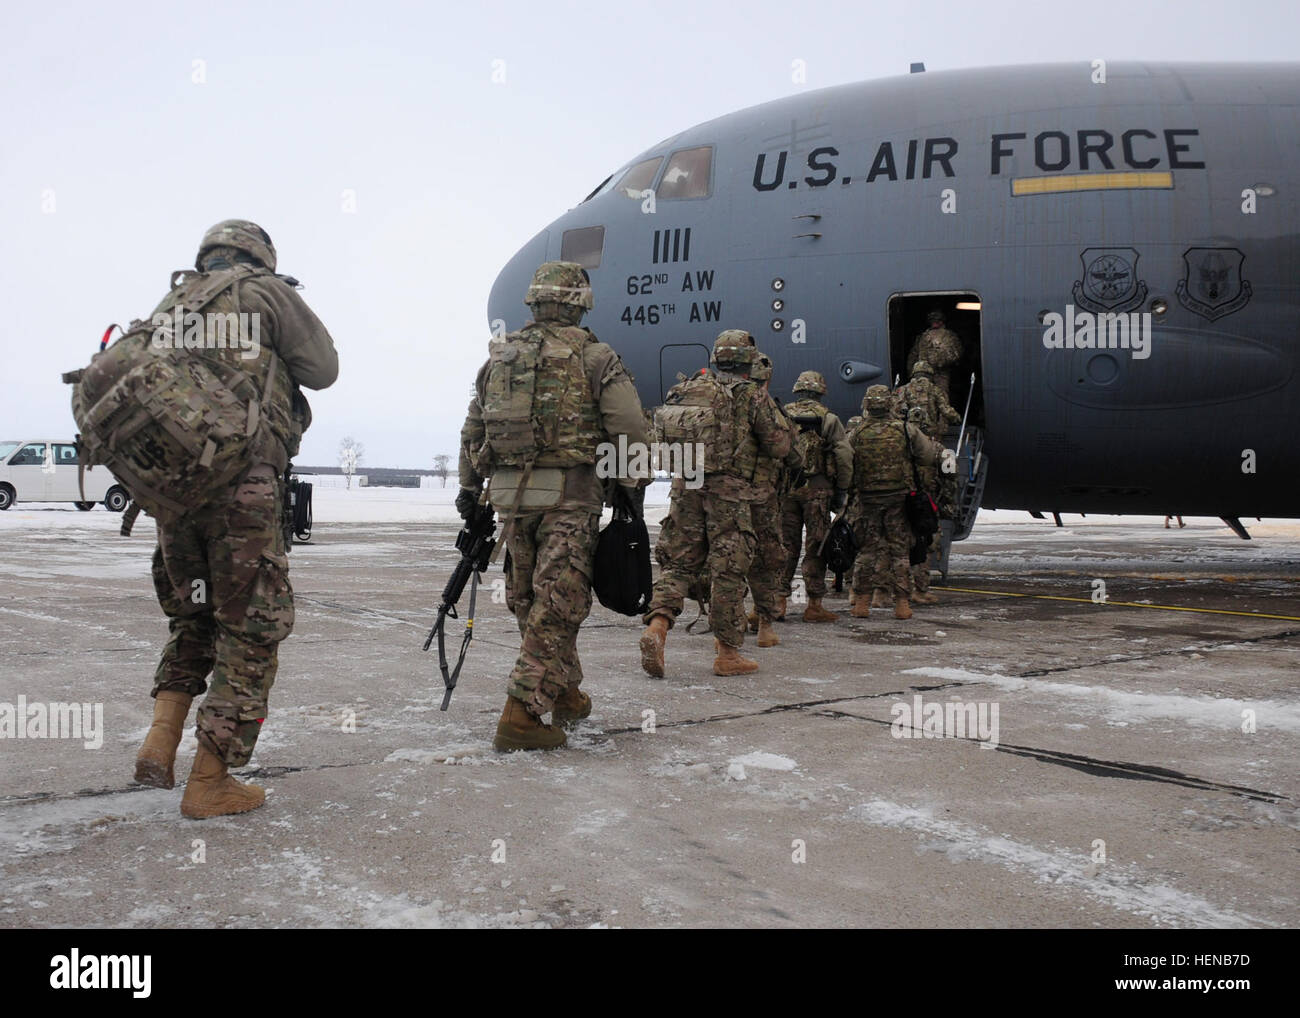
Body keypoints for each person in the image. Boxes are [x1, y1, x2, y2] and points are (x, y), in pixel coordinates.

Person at [134, 219, 338, 819]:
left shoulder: (172, 301)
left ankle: (160, 741)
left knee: (194, 620)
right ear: (260, 255)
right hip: (242, 486)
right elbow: (323, 369)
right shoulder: (264, 292)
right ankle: (210, 780)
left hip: (175, 495)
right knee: (251, 630)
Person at [458, 261, 648, 752]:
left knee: (528, 598)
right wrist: (630, 486)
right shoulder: (595, 357)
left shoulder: (500, 359)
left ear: (534, 302)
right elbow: (629, 426)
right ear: (579, 304)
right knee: (558, 604)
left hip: (511, 502)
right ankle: (520, 715)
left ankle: (566, 693)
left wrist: (467, 489)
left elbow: (473, 429)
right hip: (570, 498)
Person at [640, 333, 793, 677]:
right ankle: (727, 654)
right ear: (747, 360)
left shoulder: (689, 387)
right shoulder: (751, 395)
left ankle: (657, 626)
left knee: (678, 565)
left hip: (686, 487)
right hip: (730, 495)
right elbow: (779, 446)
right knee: (728, 569)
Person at [847, 385, 938, 621]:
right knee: (900, 553)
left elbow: (845, 462)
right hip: (899, 500)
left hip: (867, 500)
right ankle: (902, 605)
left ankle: (861, 603)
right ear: (889, 404)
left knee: (867, 552)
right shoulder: (906, 430)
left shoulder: (856, 433)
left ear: (867, 405)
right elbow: (928, 456)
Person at [779, 371, 853, 623]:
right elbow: (844, 456)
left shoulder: (782, 414)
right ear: (820, 392)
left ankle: (777, 604)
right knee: (816, 546)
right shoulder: (828, 419)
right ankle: (814, 605)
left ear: (797, 390)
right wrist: (842, 489)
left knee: (785, 546)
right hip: (817, 491)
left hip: (786, 490)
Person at [743, 349, 803, 648]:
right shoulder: (767, 407)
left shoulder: (719, 401)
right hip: (761, 497)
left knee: (727, 562)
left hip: (722, 497)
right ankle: (764, 624)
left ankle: (732, 622)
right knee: (767, 559)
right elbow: (791, 454)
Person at [906, 309, 963, 402]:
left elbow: (956, 354)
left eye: (937, 320)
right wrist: (912, 373)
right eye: (932, 320)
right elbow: (914, 355)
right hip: (922, 374)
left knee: (941, 400)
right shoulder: (923, 336)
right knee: (923, 401)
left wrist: (939, 361)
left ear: (942, 321)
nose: (934, 323)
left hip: (940, 374)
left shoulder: (949, 336)